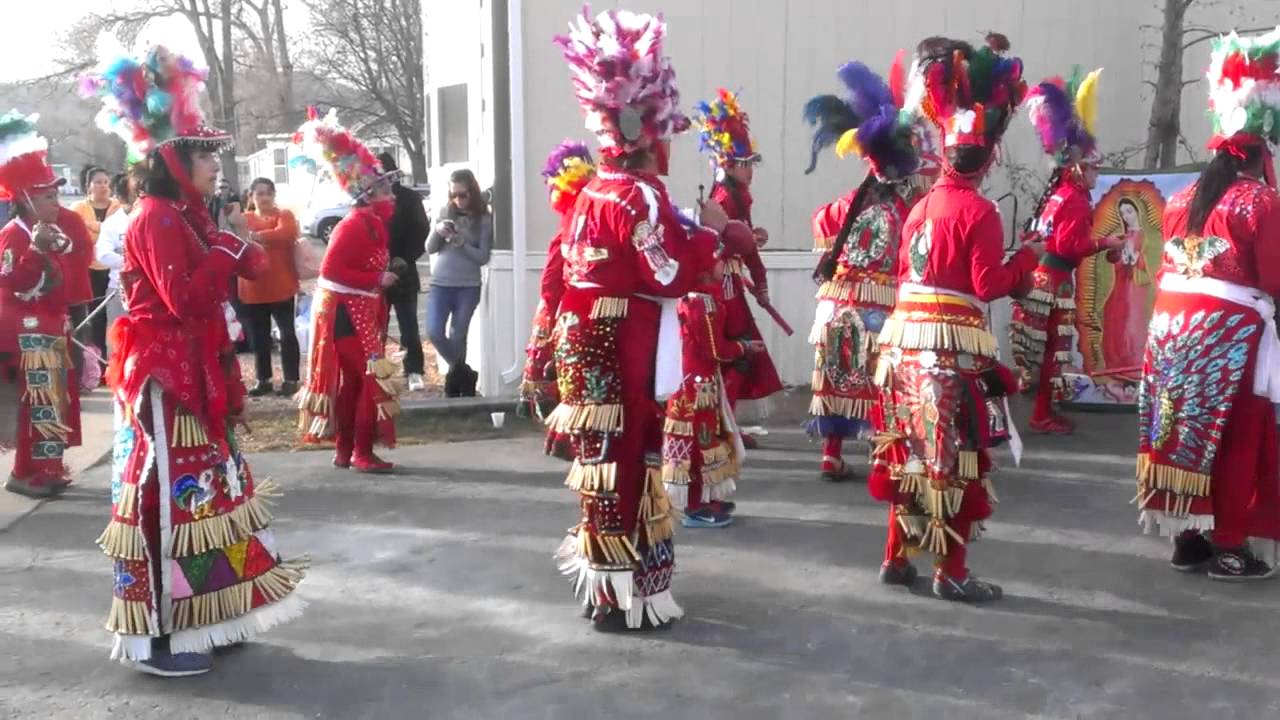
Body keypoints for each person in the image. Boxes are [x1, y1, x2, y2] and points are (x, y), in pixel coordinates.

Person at [82, 46, 305, 676]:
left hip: (196, 371)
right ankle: (155, 634)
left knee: (209, 494)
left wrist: (235, 241)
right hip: (165, 379)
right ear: (175, 162)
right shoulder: (154, 217)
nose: (215, 164)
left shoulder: (186, 213)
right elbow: (185, 298)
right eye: (204, 154)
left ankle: (209, 615)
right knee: (164, 499)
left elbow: (250, 266)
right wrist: (230, 248)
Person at [550, 7, 749, 630]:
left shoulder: (591, 192)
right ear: (645, 133)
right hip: (623, 346)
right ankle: (621, 597)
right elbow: (665, 273)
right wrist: (715, 238)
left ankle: (603, 586)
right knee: (629, 461)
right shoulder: (638, 195)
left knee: (600, 466)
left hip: (585, 343)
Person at [869, 34, 1042, 603]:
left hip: (901, 344)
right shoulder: (980, 211)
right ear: (988, 157)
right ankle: (951, 571)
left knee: (907, 450)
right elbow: (989, 285)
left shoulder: (920, 206)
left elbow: (903, 273)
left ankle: (896, 556)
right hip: (951, 349)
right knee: (958, 456)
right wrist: (1027, 260)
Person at [1135, 29, 1280, 582]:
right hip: (1229, 333)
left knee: (1179, 426)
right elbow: (1272, 275)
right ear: (1260, 156)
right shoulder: (1261, 201)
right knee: (1239, 432)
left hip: (1171, 329)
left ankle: (1187, 536)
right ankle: (1230, 545)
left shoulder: (1181, 199)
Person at [802, 56, 938, 482]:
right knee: (882, 379)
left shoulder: (841, 207)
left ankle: (831, 453)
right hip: (879, 307)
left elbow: (820, 225)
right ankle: (882, 455)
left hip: (834, 307)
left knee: (836, 379)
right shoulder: (907, 210)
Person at [1010, 69, 1124, 435]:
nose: (1096, 175)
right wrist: (1109, 243)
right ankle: (1041, 413)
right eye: (1094, 168)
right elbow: (1071, 246)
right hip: (1055, 282)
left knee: (1041, 351)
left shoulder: (1057, 194)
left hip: (1037, 278)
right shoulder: (1073, 200)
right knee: (1051, 352)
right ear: (1079, 168)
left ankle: (1038, 404)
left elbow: (1039, 235)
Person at [295, 107, 401, 473]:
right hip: (346, 314)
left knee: (357, 381)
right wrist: (376, 280)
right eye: (385, 188)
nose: (392, 194)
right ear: (367, 193)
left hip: (357, 311)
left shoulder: (369, 223)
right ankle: (360, 451)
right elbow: (330, 269)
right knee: (370, 379)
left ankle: (346, 450)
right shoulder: (354, 224)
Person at [692, 89, 783, 448]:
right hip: (723, 288)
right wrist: (747, 245)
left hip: (731, 283)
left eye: (751, 162)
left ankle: (725, 424)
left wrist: (758, 276)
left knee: (740, 357)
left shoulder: (736, 198)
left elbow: (743, 245)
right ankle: (722, 428)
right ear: (727, 165)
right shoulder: (724, 199)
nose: (750, 170)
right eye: (745, 162)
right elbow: (722, 245)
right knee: (736, 355)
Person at [0, 111, 81, 498]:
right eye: (49, 196)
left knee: (51, 402)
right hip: (26, 336)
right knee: (40, 405)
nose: (56, 201)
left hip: (49, 330)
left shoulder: (48, 231)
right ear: (28, 199)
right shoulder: (12, 237)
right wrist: (37, 249)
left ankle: (40, 468)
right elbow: (15, 282)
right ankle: (32, 471)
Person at [661, 248, 758, 529]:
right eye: (716, 259)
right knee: (698, 444)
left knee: (706, 441)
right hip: (697, 387)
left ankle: (707, 497)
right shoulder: (704, 304)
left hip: (695, 382)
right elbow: (716, 350)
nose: (721, 265)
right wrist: (744, 347)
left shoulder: (690, 298)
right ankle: (695, 506)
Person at [518, 140, 595, 429]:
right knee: (566, 368)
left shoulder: (575, 217)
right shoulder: (574, 220)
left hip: (567, 303)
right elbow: (551, 281)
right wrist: (551, 310)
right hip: (565, 305)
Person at [426, 168, 492, 397]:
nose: (458, 200)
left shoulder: (483, 218)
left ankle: (456, 387)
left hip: (467, 286)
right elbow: (430, 248)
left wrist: (460, 241)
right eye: (453, 195)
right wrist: (438, 229)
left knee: (458, 335)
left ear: (472, 192)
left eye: (462, 195)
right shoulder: (445, 211)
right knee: (434, 331)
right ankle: (464, 374)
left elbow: (483, 257)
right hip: (440, 283)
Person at [238, 177, 301, 397]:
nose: (264, 198)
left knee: (287, 334)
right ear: (251, 196)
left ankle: (291, 379)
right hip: (253, 286)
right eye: (259, 194)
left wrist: (255, 237)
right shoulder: (243, 219)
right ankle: (263, 379)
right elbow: (236, 239)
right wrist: (266, 237)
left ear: (274, 195)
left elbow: (287, 233)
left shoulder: (284, 215)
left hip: (281, 284)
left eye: (268, 193)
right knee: (259, 337)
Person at [374, 153, 431, 392]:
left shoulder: (409, 198)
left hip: (403, 268)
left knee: (409, 326)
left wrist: (404, 258)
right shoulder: (370, 201)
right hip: (376, 271)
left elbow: (421, 231)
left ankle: (414, 369)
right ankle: (376, 370)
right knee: (377, 326)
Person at [1100, 197, 1155, 376]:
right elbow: (1114, 260)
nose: (1126, 217)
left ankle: (1136, 368)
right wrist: (1118, 256)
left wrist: (1136, 258)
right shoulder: (1122, 237)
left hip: (1137, 287)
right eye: (1123, 213)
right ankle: (1116, 368)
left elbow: (1153, 264)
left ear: (1138, 212)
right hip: (1121, 286)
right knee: (1114, 318)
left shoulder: (1148, 237)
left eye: (1129, 212)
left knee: (1133, 325)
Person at [73, 166, 121, 356]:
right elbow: (80, 236)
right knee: (95, 317)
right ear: (88, 186)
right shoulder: (78, 209)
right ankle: (97, 358)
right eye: (98, 182)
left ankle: (117, 358)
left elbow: (112, 232)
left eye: (106, 182)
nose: (103, 186)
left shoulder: (118, 206)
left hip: (114, 269)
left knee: (116, 317)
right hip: (90, 269)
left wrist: (90, 226)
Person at [95, 170, 139, 357]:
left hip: (148, 291)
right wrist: (134, 263)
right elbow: (103, 255)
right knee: (121, 342)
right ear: (121, 195)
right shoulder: (112, 224)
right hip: (118, 290)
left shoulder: (150, 217)